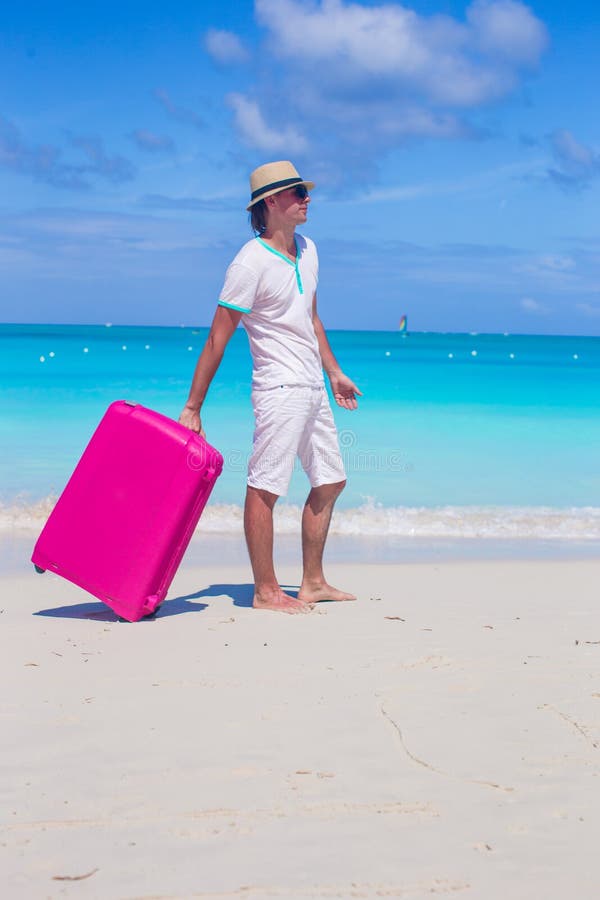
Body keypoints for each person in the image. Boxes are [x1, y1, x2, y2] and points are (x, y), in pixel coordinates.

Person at [179, 160, 361, 614]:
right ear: (272, 203)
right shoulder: (249, 262)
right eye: (298, 193)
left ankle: (313, 582)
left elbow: (310, 318)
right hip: (278, 388)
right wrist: (193, 406)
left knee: (332, 481)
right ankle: (265, 590)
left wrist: (334, 372)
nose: (307, 199)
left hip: (313, 387)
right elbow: (218, 336)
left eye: (305, 192)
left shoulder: (310, 250)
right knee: (265, 488)